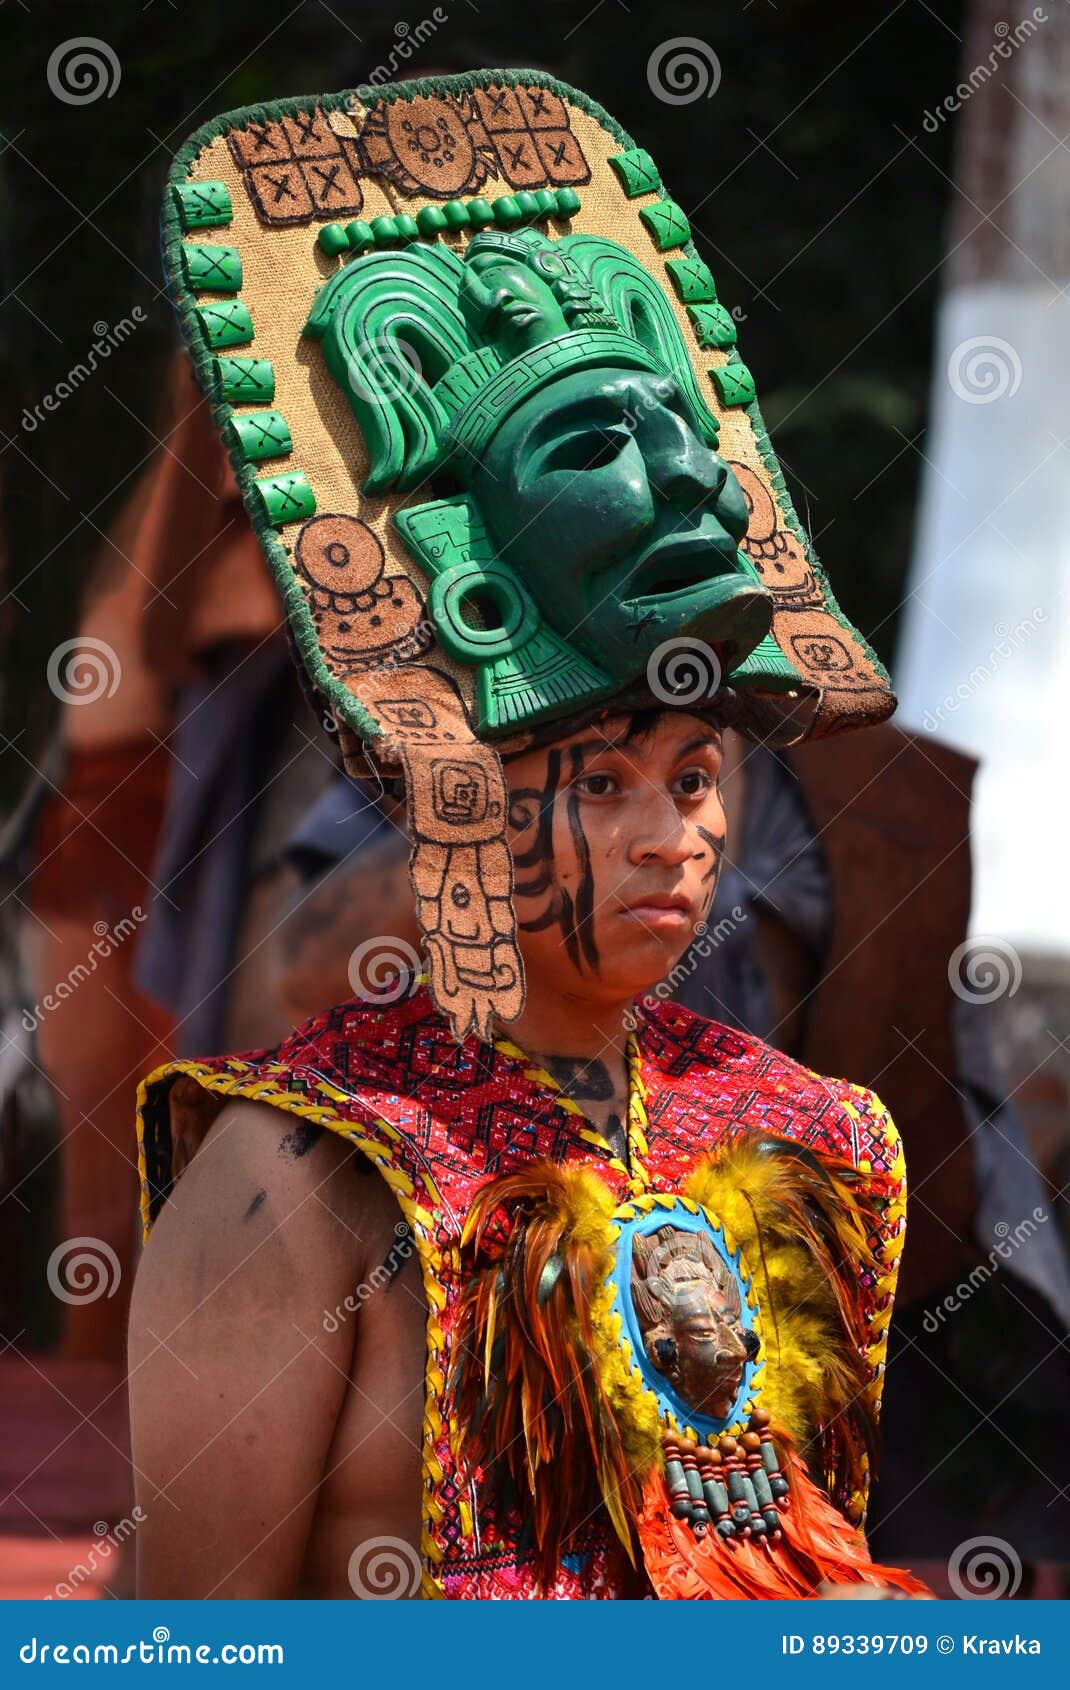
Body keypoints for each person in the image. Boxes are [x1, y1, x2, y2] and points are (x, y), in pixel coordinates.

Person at [129, 68, 930, 1600]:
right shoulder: (290, 1180)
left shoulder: (812, 1139)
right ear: (451, 799)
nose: (670, 840)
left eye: (695, 778)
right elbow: (194, 1642)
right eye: (602, 781)